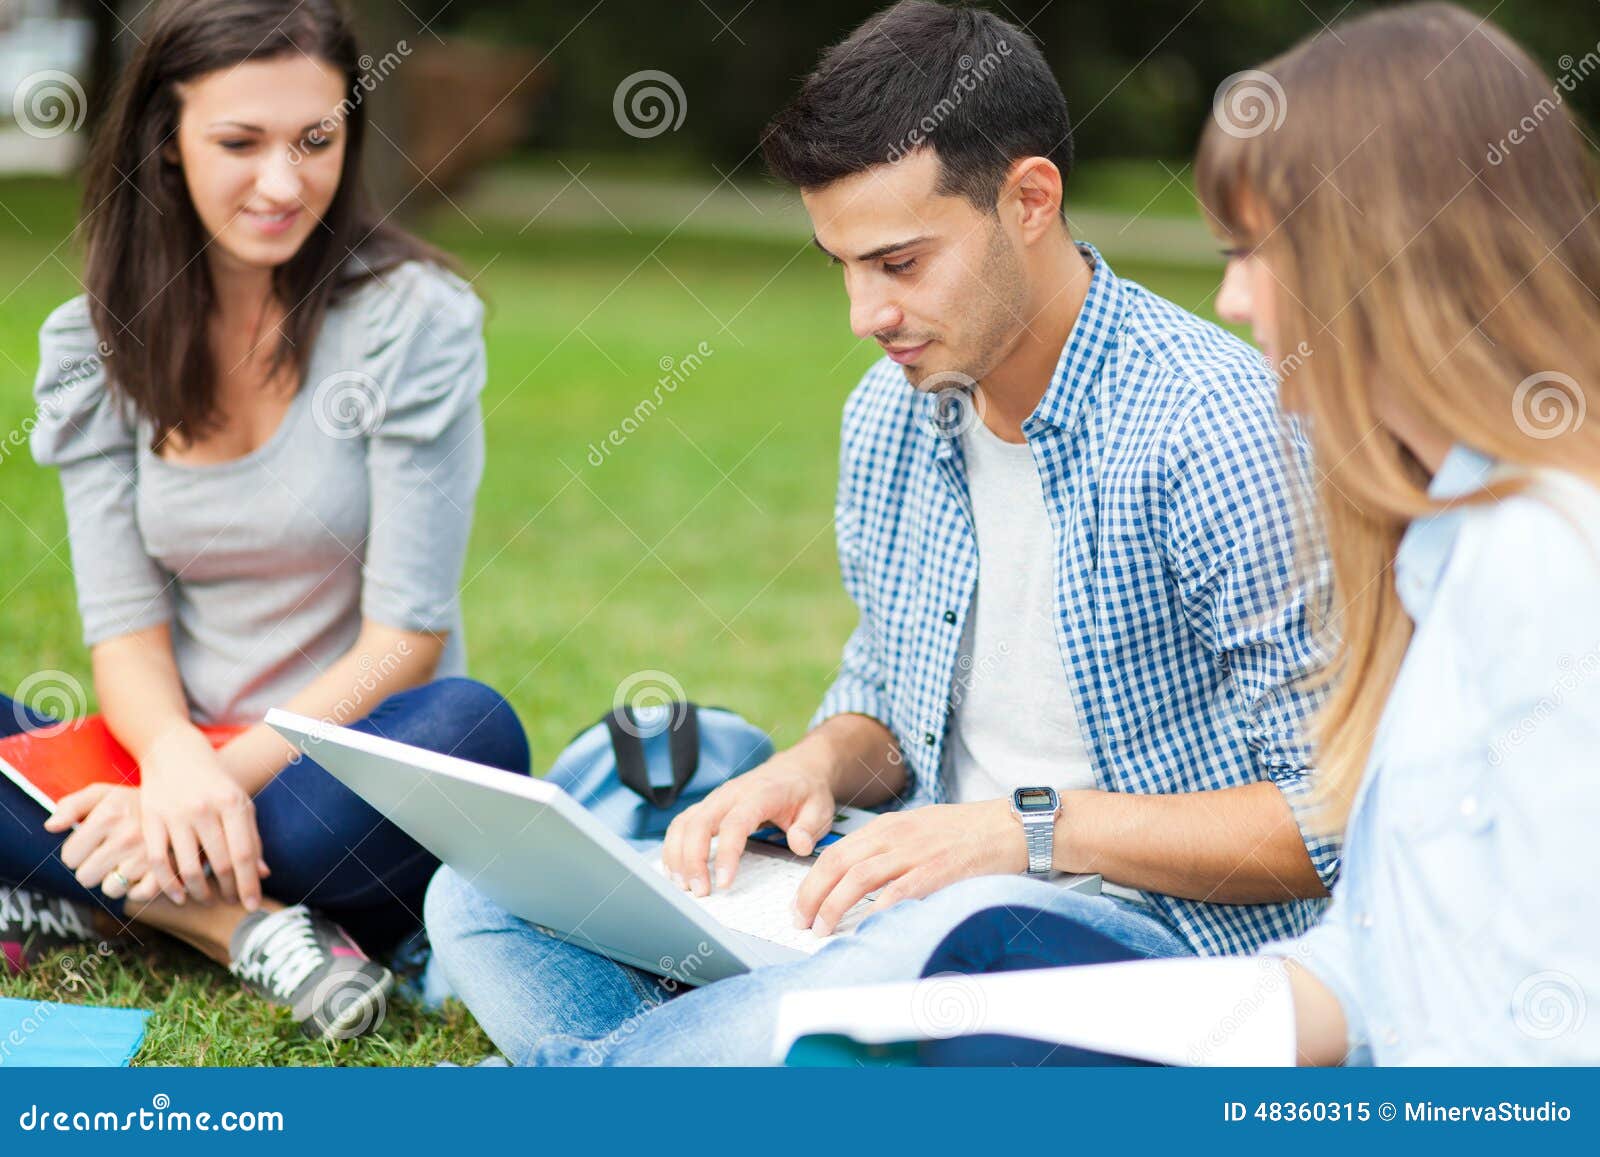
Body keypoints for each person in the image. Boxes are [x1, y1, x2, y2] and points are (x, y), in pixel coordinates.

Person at [425, 0, 1340, 1066]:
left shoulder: (1214, 424)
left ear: (1029, 199)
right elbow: (889, 699)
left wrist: (1022, 829)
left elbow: (1320, 820)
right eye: (841, 266)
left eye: (900, 264)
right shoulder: (891, 411)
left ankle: (604, 1078)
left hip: (1137, 940)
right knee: (480, 893)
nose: (866, 313)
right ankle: (721, 1062)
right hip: (904, 883)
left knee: (924, 944)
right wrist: (810, 763)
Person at [873, 0, 1600, 1066]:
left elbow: (1555, 1043)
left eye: (1256, 251)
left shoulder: (1547, 563)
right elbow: (1371, 968)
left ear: (1386, 259)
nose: (1233, 297)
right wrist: (1035, 1030)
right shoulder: (1441, 542)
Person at [0, 0, 530, 1040]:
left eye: (315, 140)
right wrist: (176, 767)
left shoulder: (413, 322)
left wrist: (216, 780)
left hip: (325, 776)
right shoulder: (91, 345)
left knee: (475, 730)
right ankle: (237, 926)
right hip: (162, 758)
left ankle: (85, 887)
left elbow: (404, 643)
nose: (284, 183)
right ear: (165, 140)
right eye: (240, 143)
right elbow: (124, 631)